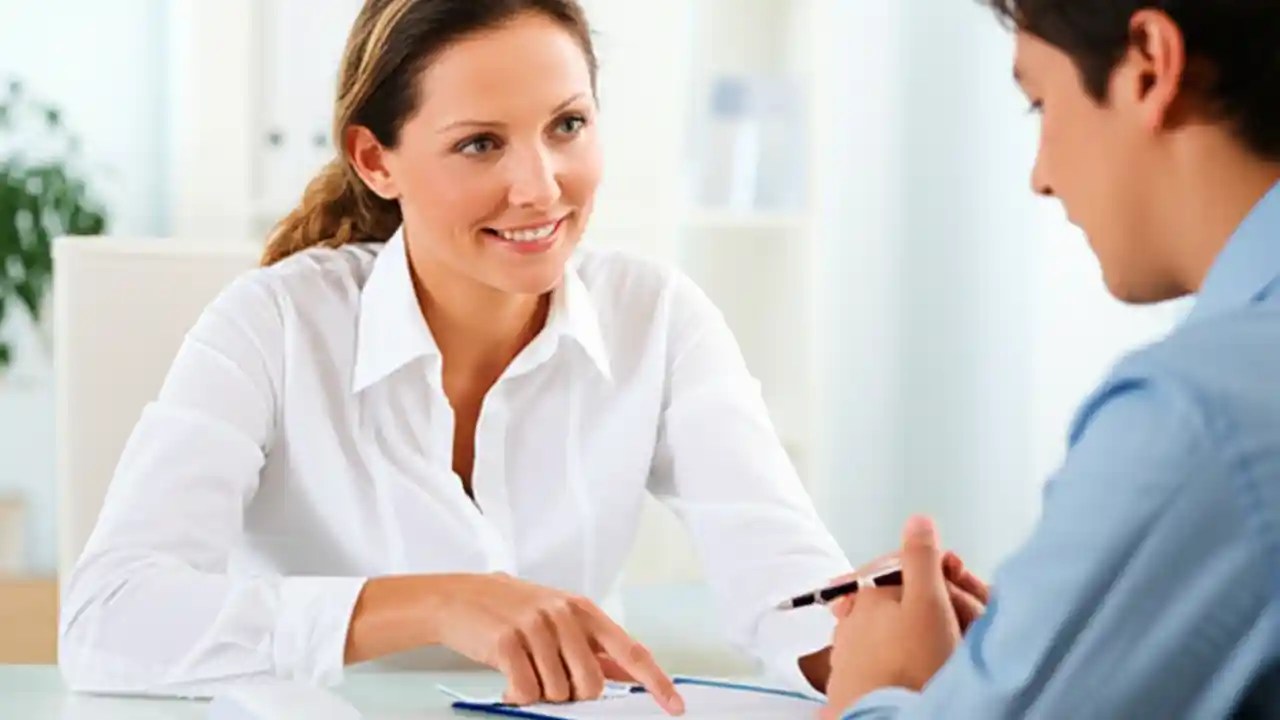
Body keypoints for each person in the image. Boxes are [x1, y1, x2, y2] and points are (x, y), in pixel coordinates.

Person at [56, 0, 863, 710]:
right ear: (375, 160)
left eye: (567, 125)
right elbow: (108, 618)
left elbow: (789, 590)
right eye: (480, 144)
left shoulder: (658, 320)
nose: (540, 187)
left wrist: (876, 645)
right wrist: (439, 604)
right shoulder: (272, 325)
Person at [824, 1, 1280, 718]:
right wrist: (1040, 663)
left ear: (1149, 67)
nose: (1040, 176)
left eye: (1040, 103)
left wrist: (881, 689)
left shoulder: (1199, 416)